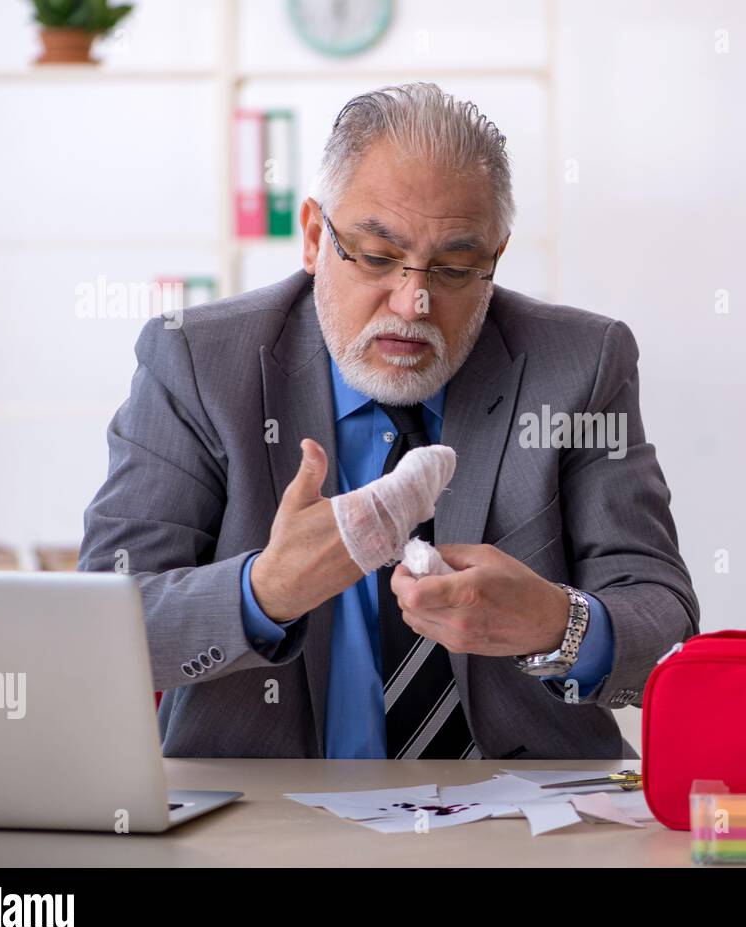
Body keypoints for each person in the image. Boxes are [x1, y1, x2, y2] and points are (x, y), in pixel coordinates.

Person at [78, 82, 698, 759]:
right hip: (267, 821)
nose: (414, 300)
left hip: (523, 823)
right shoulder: (197, 362)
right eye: (377, 257)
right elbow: (99, 631)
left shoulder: (579, 364)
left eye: (456, 268)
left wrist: (556, 623)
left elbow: (664, 621)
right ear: (315, 237)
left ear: (495, 259)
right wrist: (267, 591)